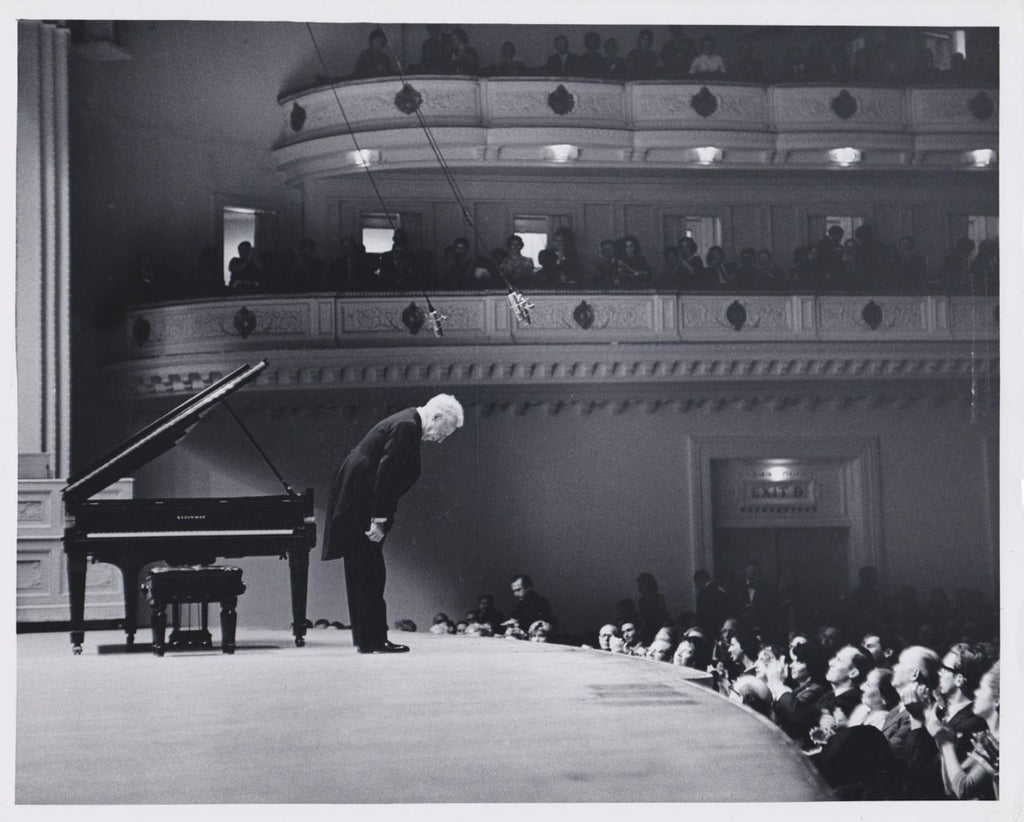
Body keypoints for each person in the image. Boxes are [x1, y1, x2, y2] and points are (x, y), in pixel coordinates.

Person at [320, 394, 465, 654]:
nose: (441, 440)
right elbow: (386, 476)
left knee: (364, 572)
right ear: (437, 416)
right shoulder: (408, 426)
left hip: (354, 502)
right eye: (444, 432)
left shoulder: (405, 421)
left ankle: (367, 639)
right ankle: (374, 640)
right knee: (371, 573)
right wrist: (378, 520)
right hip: (362, 507)